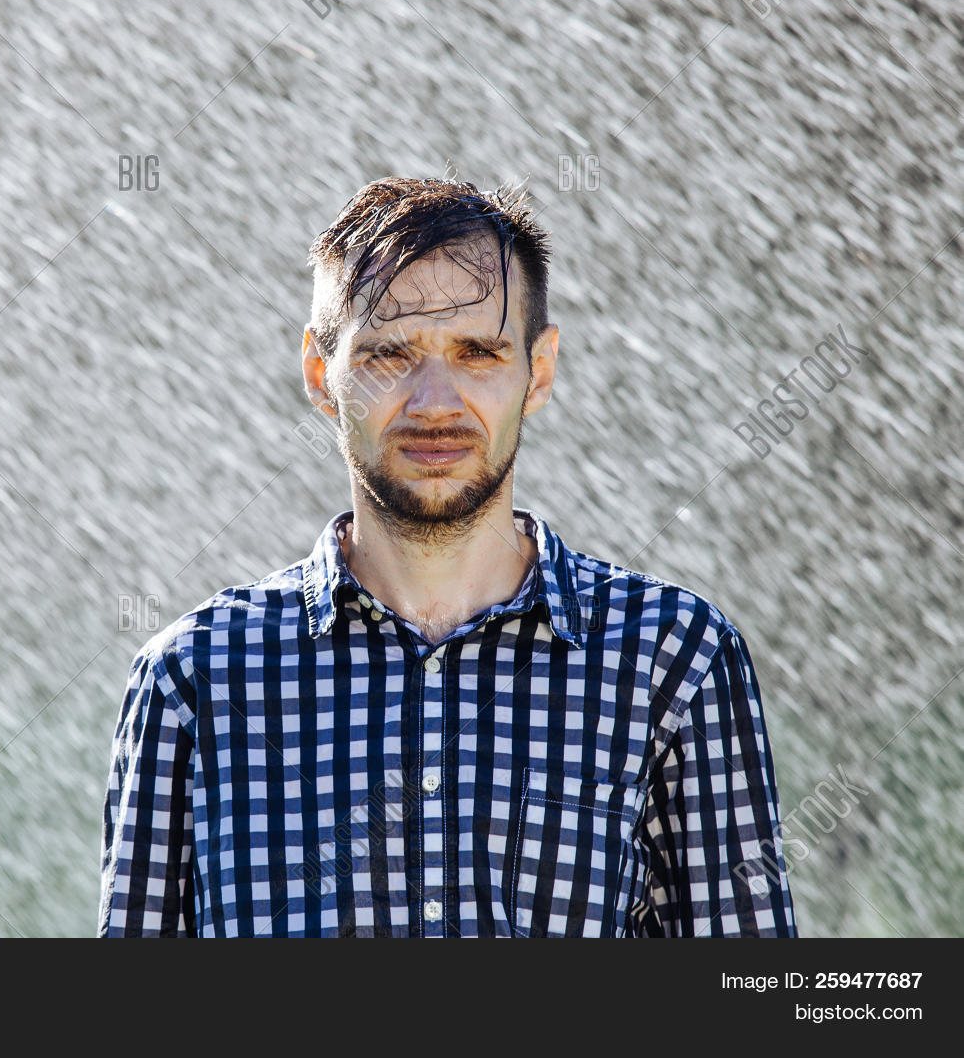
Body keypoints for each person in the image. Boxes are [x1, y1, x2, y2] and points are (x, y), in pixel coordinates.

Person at [98, 176, 797, 937]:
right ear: (318, 374)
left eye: (478, 353)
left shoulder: (671, 661)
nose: (435, 402)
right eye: (390, 354)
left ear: (541, 370)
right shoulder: (197, 680)